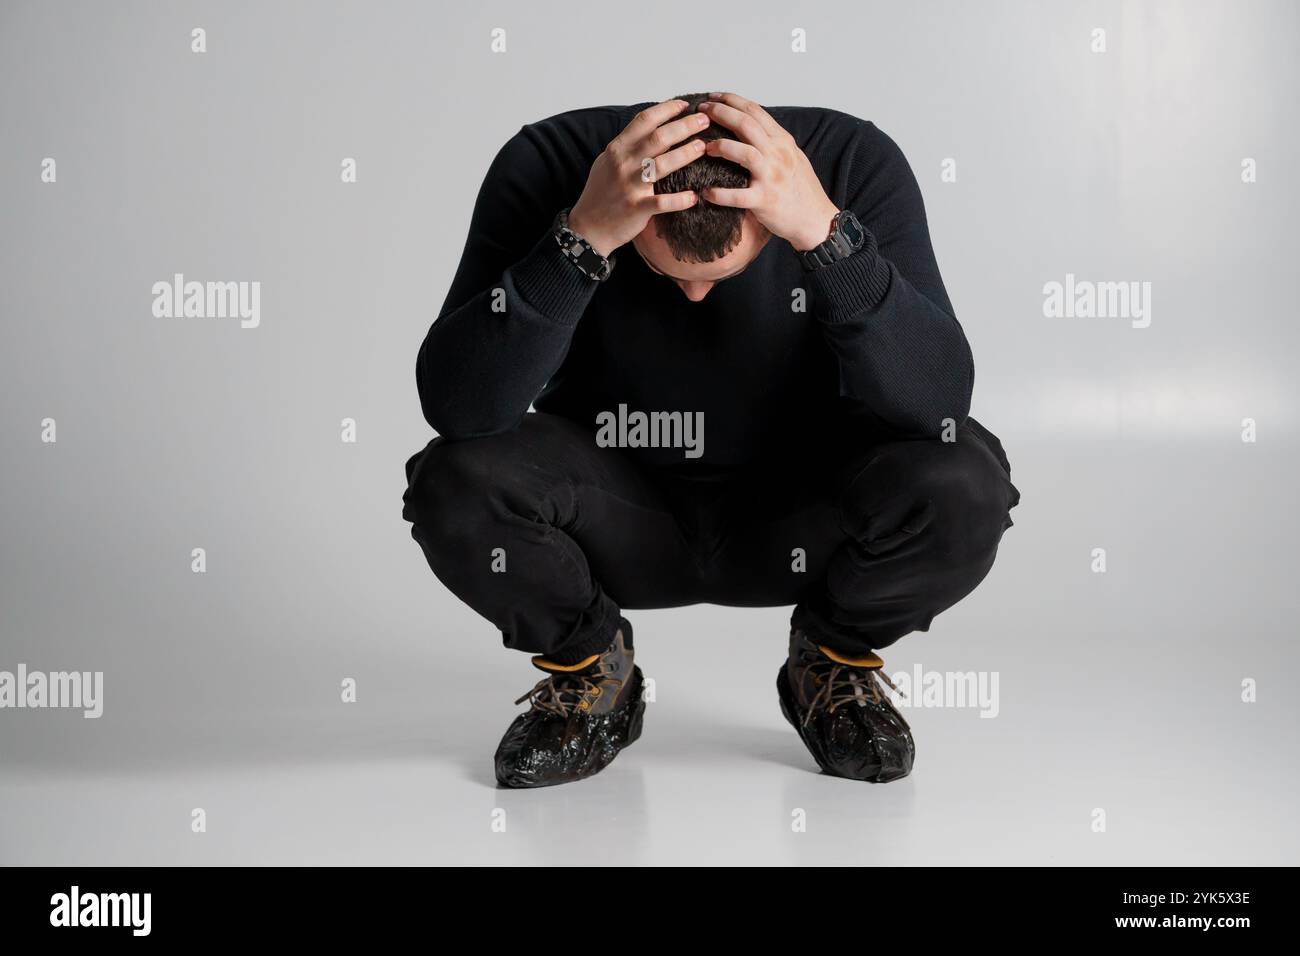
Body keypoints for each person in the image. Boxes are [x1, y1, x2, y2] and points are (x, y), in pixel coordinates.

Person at [402, 92, 1020, 788]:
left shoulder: (848, 163)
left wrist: (826, 235)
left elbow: (938, 405)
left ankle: (833, 664)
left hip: (800, 512)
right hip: (613, 518)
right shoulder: (549, 165)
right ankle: (592, 671)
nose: (694, 298)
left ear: (767, 214)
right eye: (667, 272)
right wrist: (580, 240)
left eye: (721, 277)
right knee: (453, 481)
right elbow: (459, 407)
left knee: (965, 480)